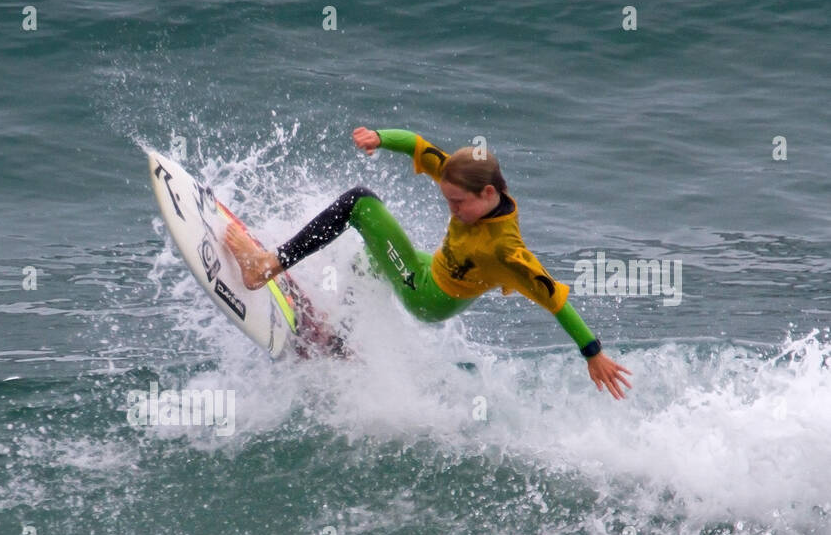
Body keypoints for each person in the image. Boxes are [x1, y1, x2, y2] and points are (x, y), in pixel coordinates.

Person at [224, 126, 633, 399]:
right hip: (428, 266)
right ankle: (339, 343)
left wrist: (592, 352)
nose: (453, 210)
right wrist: (379, 138)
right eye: (448, 201)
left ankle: (266, 267)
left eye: (459, 203)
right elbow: (421, 147)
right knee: (367, 259)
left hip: (430, 295)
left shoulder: (506, 251)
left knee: (359, 204)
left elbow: (554, 297)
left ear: (488, 193)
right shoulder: (464, 180)